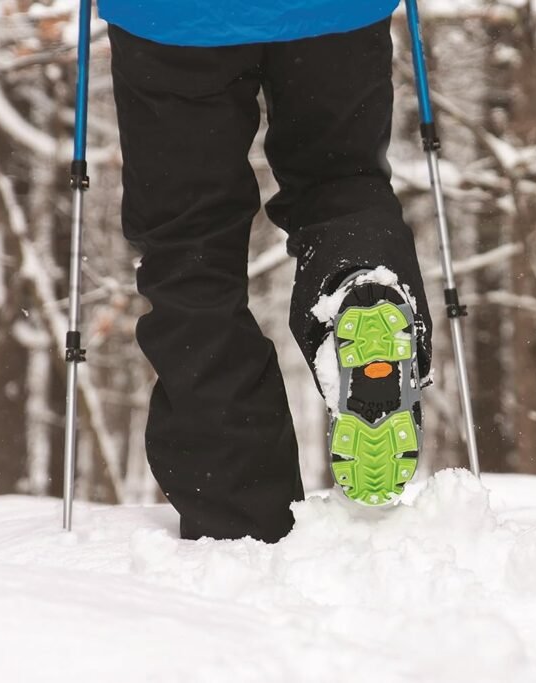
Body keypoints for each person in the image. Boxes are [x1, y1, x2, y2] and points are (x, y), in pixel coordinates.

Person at [98, 0, 433, 543]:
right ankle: (363, 281)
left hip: (174, 20)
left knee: (189, 245)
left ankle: (241, 514)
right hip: (334, 14)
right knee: (340, 186)